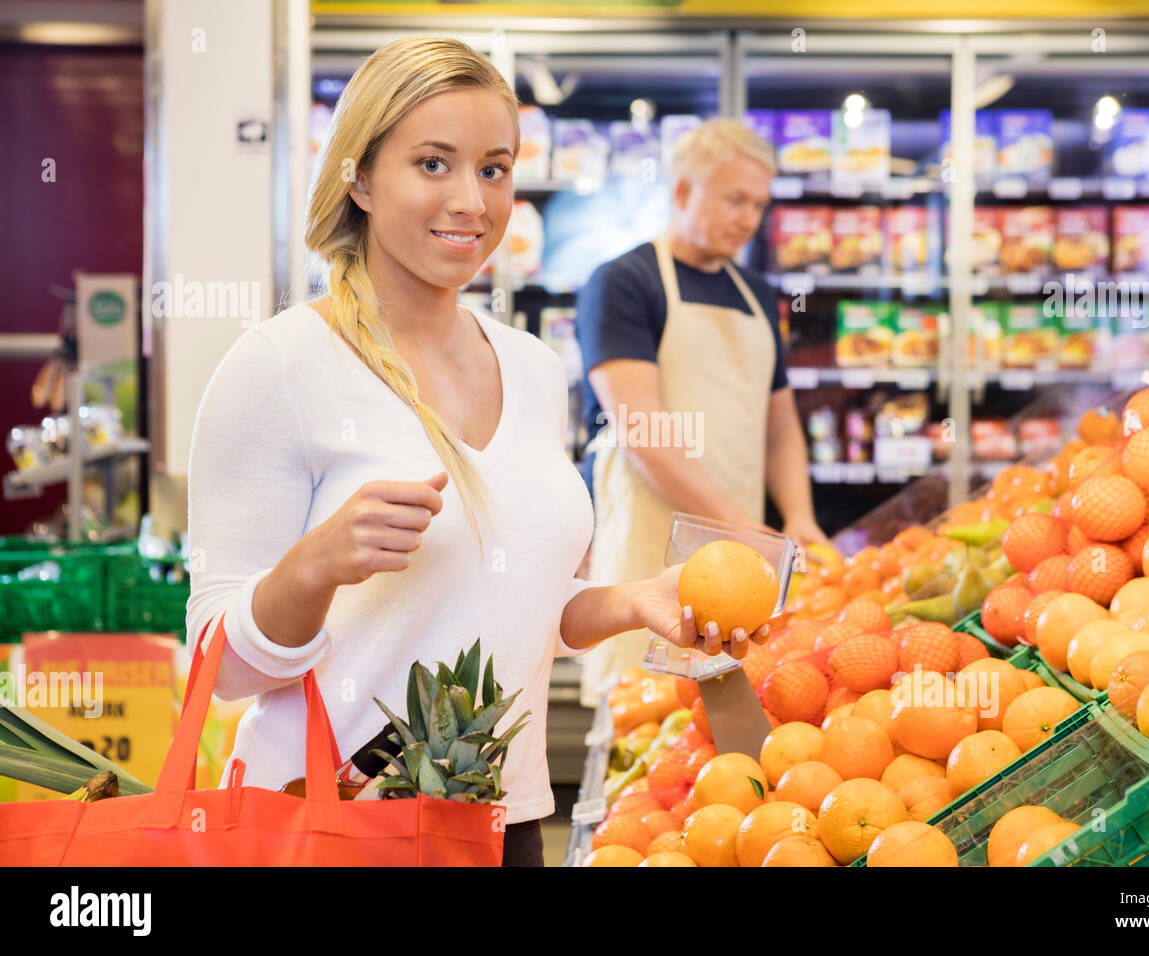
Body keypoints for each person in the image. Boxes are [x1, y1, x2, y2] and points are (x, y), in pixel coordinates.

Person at [185, 36, 766, 868]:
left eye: (494, 169)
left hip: (507, 821)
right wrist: (313, 566)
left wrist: (635, 601)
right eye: (432, 164)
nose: (471, 200)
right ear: (358, 177)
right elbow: (220, 670)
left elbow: (525, 608)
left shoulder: (531, 365)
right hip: (333, 825)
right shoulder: (278, 366)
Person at [575, 118, 828, 708]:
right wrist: (738, 526)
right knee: (640, 709)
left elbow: (780, 423)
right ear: (684, 191)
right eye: (735, 199)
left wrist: (798, 515)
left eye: (759, 204)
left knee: (715, 703)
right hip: (649, 537)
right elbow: (640, 426)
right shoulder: (623, 282)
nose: (749, 219)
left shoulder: (758, 293)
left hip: (738, 548)